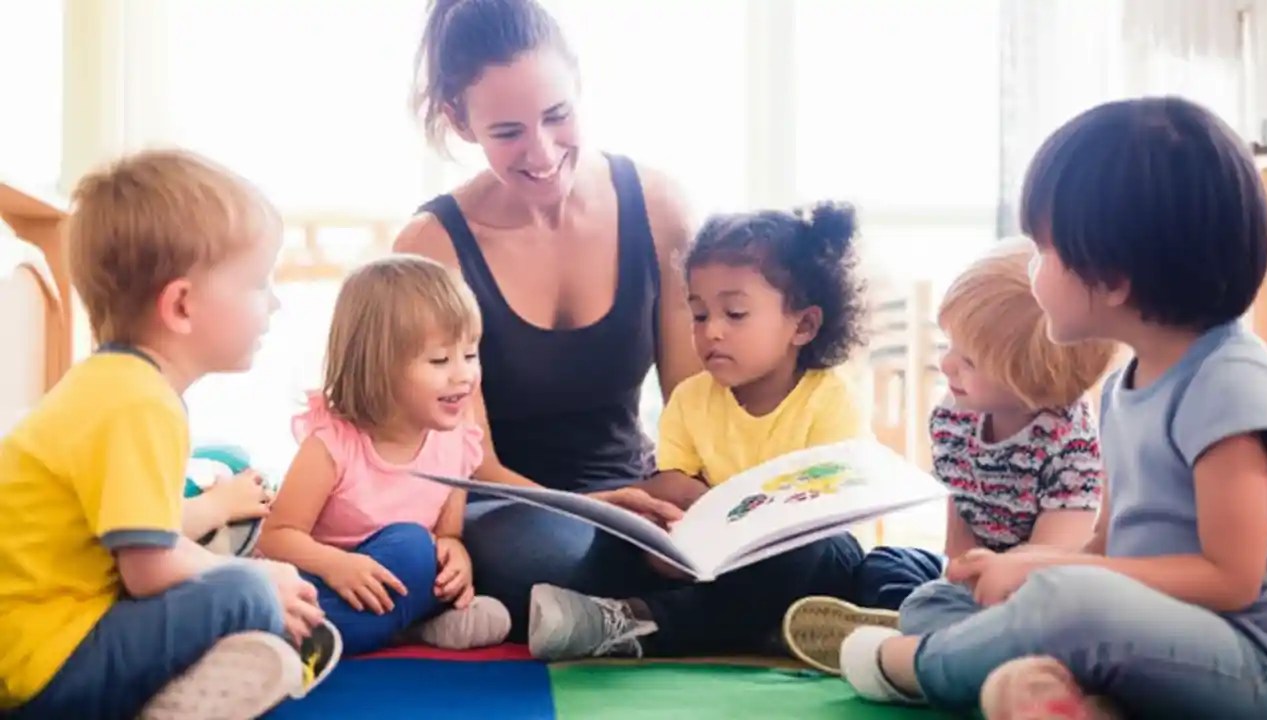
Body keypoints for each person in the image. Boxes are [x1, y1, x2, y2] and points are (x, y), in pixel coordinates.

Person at [835, 97, 1267, 719]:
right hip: (1150, 639)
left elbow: (1232, 578)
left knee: (1069, 606)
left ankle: (911, 666)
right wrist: (1023, 564)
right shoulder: (1126, 384)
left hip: (1249, 663)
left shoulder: (1229, 380)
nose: (1034, 269)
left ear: (1113, 277)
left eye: (1043, 251)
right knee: (943, 596)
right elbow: (1106, 544)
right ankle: (1081, 700)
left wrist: (1058, 582)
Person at [396, 0, 700, 635]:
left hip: (636, 488)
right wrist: (591, 508)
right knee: (545, 555)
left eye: (557, 116)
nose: (541, 151)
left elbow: (694, 404)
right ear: (459, 119)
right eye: (507, 132)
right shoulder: (431, 247)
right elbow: (466, 459)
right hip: (509, 504)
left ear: (579, 86)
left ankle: (621, 621)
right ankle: (684, 609)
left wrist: (685, 488)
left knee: (792, 546)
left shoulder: (659, 203)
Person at [0, 149, 338, 720]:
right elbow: (149, 567)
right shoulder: (138, 402)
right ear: (181, 304)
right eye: (259, 283)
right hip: (49, 668)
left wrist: (212, 510)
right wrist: (259, 575)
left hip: (38, 648)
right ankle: (168, 701)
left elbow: (135, 528)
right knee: (247, 592)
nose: (274, 303)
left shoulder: (115, 385)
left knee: (224, 508)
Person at [526, 201, 941, 660]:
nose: (712, 332)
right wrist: (664, 525)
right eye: (700, 315)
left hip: (803, 557)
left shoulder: (830, 397)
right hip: (707, 556)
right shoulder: (691, 398)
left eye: (735, 314)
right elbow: (672, 486)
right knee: (622, 531)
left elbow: (827, 508)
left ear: (803, 325)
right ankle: (606, 611)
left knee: (809, 556)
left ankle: (640, 624)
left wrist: (719, 517)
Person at [782, 240, 1115, 674]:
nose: (946, 364)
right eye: (949, 344)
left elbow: (1053, 552)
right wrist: (958, 574)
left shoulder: (1070, 442)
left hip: (1032, 585)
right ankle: (928, 633)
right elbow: (958, 526)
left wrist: (987, 580)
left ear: (1032, 380)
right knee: (886, 565)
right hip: (972, 579)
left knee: (946, 605)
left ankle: (934, 641)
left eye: (969, 360)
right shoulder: (954, 417)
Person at [257, 255, 512, 656]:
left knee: (420, 554)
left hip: (391, 580)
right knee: (410, 546)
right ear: (379, 368)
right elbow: (275, 537)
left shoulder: (457, 437)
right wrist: (335, 565)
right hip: (325, 577)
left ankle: (379, 630)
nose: (463, 375)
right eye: (440, 360)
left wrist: (454, 552)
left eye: (471, 355)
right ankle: (294, 635)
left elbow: (447, 531)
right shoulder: (332, 444)